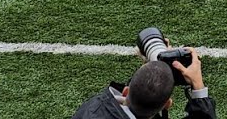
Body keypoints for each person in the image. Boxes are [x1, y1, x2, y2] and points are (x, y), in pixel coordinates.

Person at [71, 49, 215, 119]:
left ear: (126, 91)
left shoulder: (93, 106)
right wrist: (197, 85)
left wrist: (151, 68)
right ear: (167, 104)